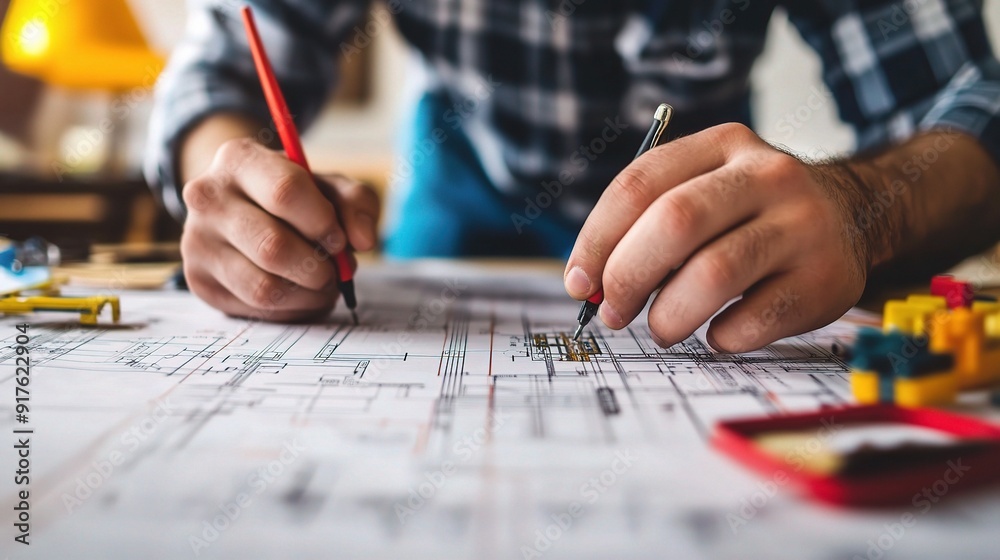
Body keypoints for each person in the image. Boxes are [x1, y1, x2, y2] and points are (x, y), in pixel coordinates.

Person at [145, 0, 1000, 352]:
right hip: (457, 188)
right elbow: (219, 77)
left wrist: (862, 209)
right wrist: (242, 200)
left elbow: (974, 103)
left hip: (706, 219)